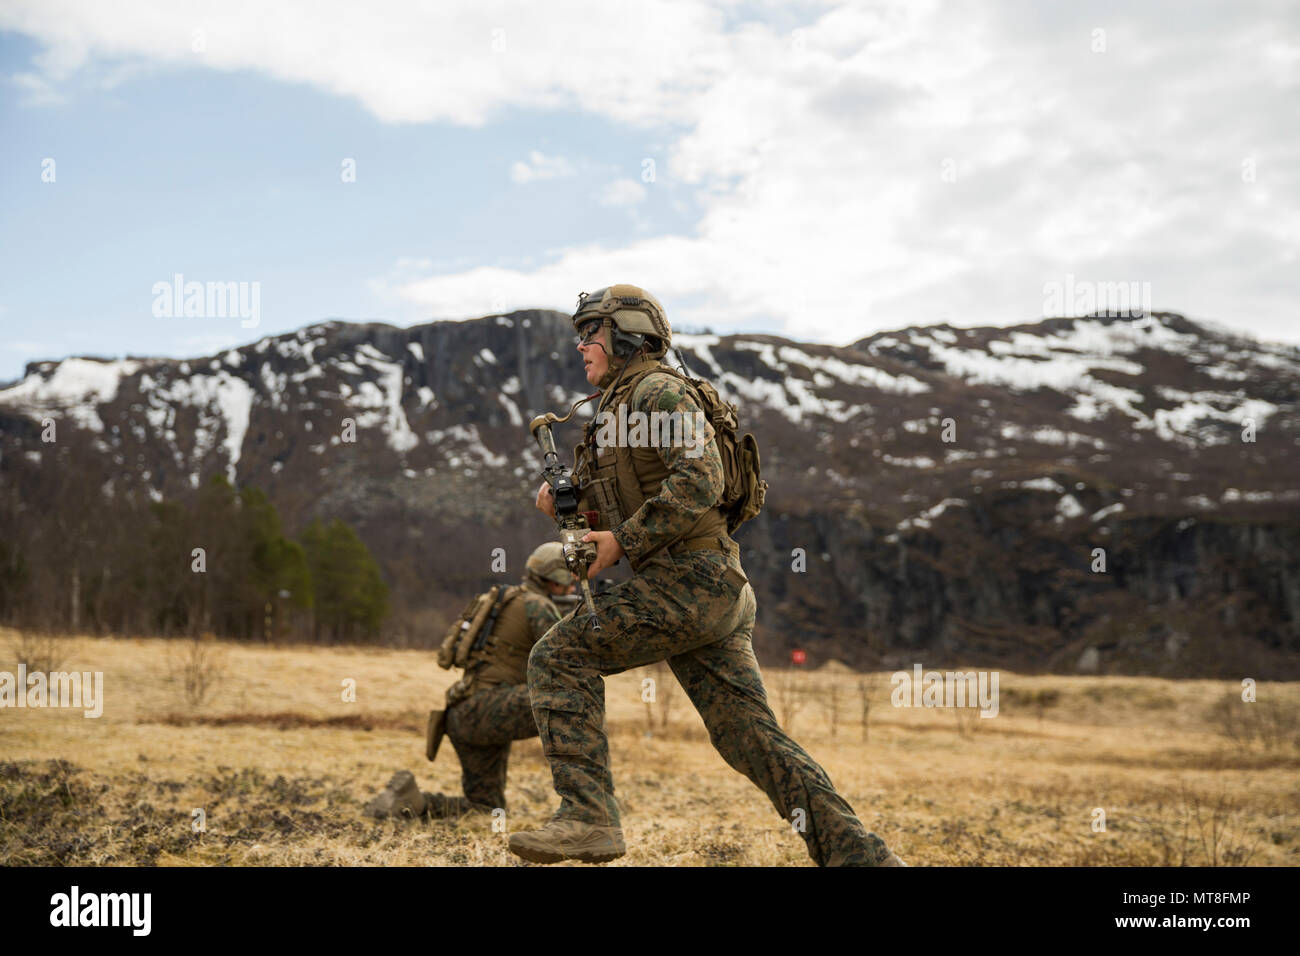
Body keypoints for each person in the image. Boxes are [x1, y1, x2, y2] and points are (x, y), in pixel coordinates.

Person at [509, 284, 906, 866]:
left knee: (559, 656)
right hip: (704, 589)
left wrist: (620, 540)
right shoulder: (618, 408)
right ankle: (862, 857)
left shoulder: (657, 392)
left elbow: (701, 480)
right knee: (750, 738)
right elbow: (640, 506)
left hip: (692, 584)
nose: (580, 346)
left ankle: (589, 819)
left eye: (590, 332)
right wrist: (575, 513)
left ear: (626, 334)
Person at [364, 542, 576, 821]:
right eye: (571, 577)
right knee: (571, 699)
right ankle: (585, 807)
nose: (573, 585)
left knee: (486, 810)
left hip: (463, 714)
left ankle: (409, 803)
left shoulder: (509, 599)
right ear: (557, 576)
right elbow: (567, 662)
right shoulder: (538, 606)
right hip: (492, 707)